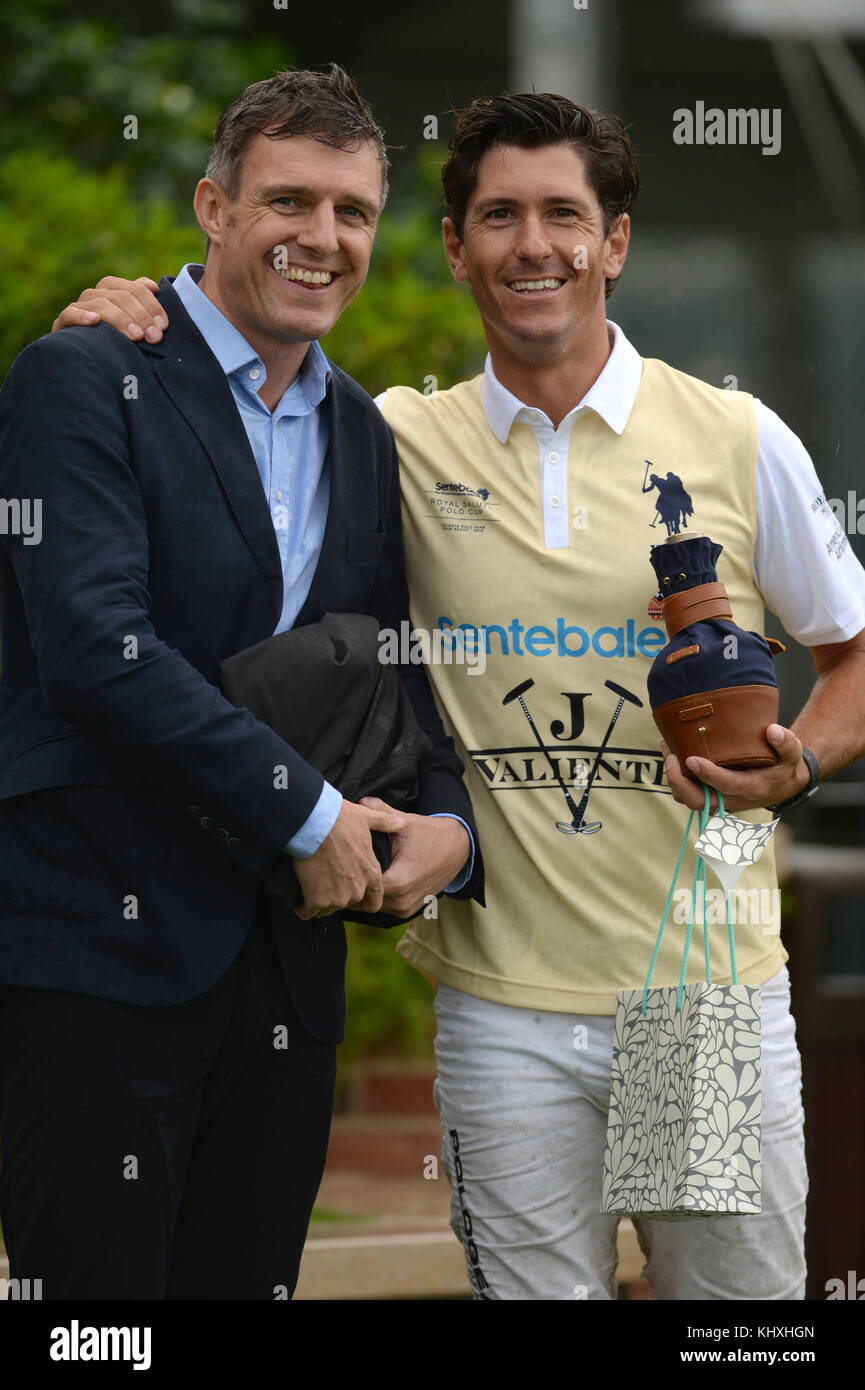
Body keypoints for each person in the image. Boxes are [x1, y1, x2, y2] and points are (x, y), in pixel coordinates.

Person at [52, 90, 865, 1302]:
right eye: (497, 216)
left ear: (616, 242)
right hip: (502, 1007)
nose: (531, 245)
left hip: (692, 1006)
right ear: (452, 247)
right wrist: (129, 311)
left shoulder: (737, 437)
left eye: (562, 215)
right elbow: (238, 376)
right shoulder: (389, 440)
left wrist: (797, 757)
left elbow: (851, 648)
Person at [0, 65, 483, 1302]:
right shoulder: (81, 377)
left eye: (353, 212)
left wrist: (445, 822)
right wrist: (311, 816)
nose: (322, 239)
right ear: (213, 208)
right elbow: (95, 655)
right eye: (288, 201)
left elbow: (380, 669)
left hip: (282, 972)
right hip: (95, 964)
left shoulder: (361, 435)